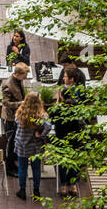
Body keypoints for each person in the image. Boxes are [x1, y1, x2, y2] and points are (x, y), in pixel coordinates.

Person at [52, 64, 88, 196]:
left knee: (63, 159)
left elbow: (53, 120)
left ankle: (63, 186)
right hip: (76, 132)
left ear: (71, 79)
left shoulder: (60, 106)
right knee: (74, 158)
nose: (63, 78)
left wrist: (58, 102)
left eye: (65, 76)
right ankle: (73, 185)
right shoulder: (80, 93)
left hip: (61, 134)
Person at [14, 92, 52, 201]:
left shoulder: (20, 113)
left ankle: (22, 190)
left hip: (22, 145)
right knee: (36, 168)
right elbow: (48, 126)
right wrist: (41, 135)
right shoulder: (41, 115)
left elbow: (16, 123)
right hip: (35, 146)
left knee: (22, 168)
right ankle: (36, 192)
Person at [1, 60, 29, 172]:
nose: (26, 77)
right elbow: (6, 103)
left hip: (17, 116)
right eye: (24, 75)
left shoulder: (18, 81)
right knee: (11, 143)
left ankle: (13, 165)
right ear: (18, 74)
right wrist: (21, 103)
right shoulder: (7, 85)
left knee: (15, 142)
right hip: (10, 118)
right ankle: (9, 167)